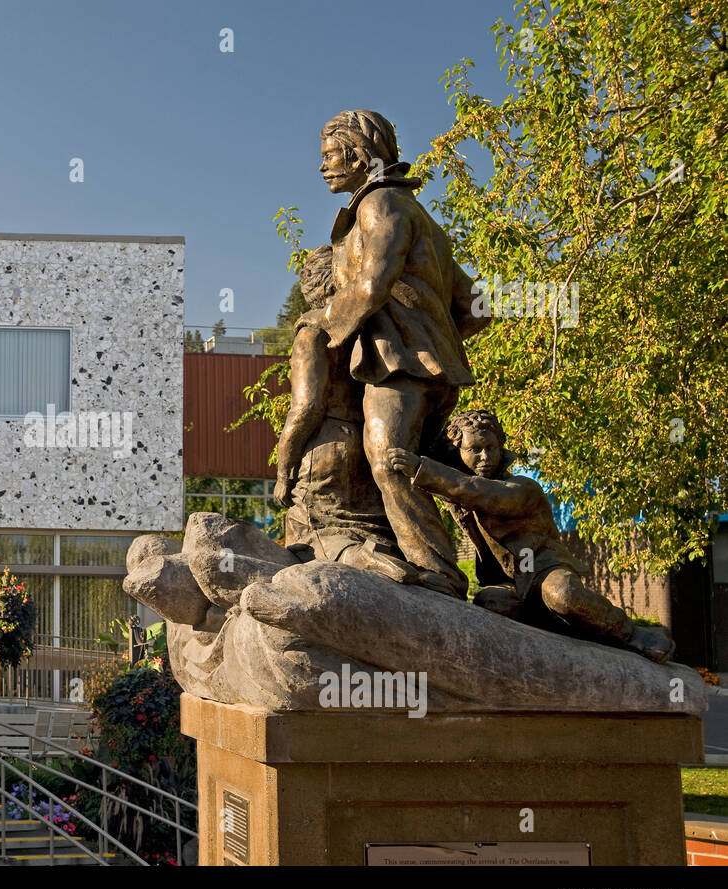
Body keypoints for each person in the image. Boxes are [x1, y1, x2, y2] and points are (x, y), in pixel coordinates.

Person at [310, 109, 492, 599]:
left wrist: (323, 326)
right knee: (422, 464)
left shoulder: (380, 205)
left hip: (399, 365)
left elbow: (372, 283)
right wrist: (436, 336)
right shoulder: (420, 216)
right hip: (431, 368)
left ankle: (441, 574)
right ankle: (471, 563)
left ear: (359, 155)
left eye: (330, 157)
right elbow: (476, 307)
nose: (323, 167)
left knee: (389, 458)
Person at [385, 410, 675, 663]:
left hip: (542, 570)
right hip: (510, 584)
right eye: (475, 450)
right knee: (490, 603)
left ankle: (632, 633)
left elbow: (480, 493)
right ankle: (556, 636)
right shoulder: (457, 488)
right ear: (459, 452)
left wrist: (423, 469)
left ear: (502, 448)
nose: (485, 457)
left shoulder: (521, 489)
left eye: (491, 448)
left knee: (562, 595)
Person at [275, 246, 449, 591]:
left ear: (314, 286)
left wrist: (284, 469)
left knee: (313, 537)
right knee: (374, 524)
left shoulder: (312, 332)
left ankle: (364, 559)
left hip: (327, 447)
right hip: (370, 442)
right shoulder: (376, 325)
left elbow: (306, 407)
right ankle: (392, 567)